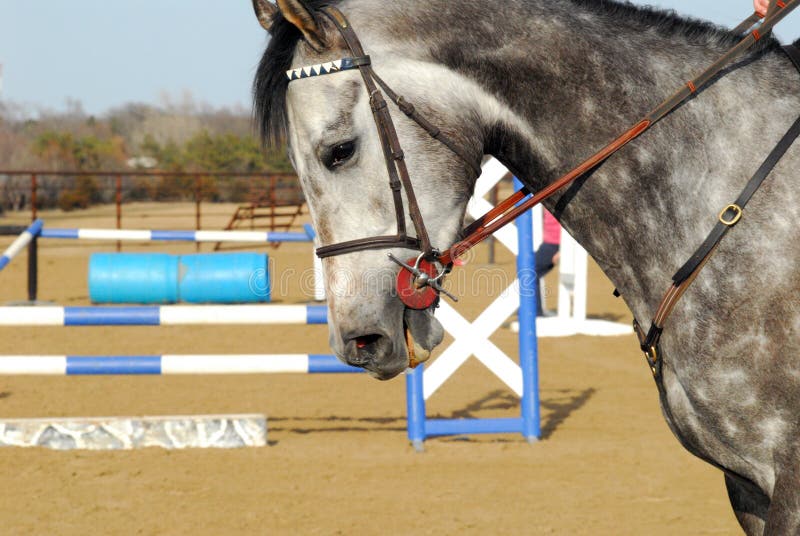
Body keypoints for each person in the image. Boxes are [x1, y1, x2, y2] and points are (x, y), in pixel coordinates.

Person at [535, 210, 560, 317]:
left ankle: (536, 311)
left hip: (555, 245)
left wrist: (562, 251)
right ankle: (536, 310)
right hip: (548, 243)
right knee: (530, 272)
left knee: (529, 272)